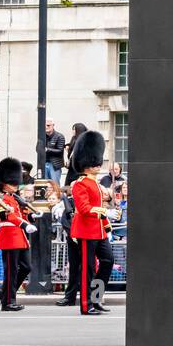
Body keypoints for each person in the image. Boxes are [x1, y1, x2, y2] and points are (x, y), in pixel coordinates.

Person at [70, 131, 117, 315]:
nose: (98, 164)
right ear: (86, 164)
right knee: (87, 269)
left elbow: (97, 206)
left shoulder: (96, 183)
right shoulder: (79, 184)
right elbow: (84, 208)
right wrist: (105, 212)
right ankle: (86, 304)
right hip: (85, 231)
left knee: (108, 261)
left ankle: (96, 298)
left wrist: (106, 221)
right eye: (94, 162)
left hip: (98, 231)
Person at [0, 158, 34, 311]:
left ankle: (5, 291)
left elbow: (20, 214)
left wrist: (31, 217)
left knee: (26, 267)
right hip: (9, 236)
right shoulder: (1, 198)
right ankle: (8, 301)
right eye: (12, 183)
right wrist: (23, 223)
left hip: (20, 236)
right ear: (4, 183)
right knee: (11, 270)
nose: (15, 186)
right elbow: (6, 216)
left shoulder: (14, 198)